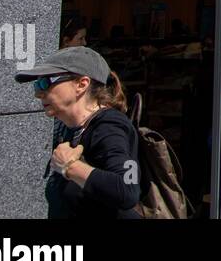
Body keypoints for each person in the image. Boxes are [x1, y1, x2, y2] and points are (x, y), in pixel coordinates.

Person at [15, 46, 141, 219]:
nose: (38, 93)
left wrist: (70, 167)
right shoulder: (69, 127)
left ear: (82, 84)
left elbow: (128, 190)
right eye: (37, 84)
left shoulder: (110, 126)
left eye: (46, 82)